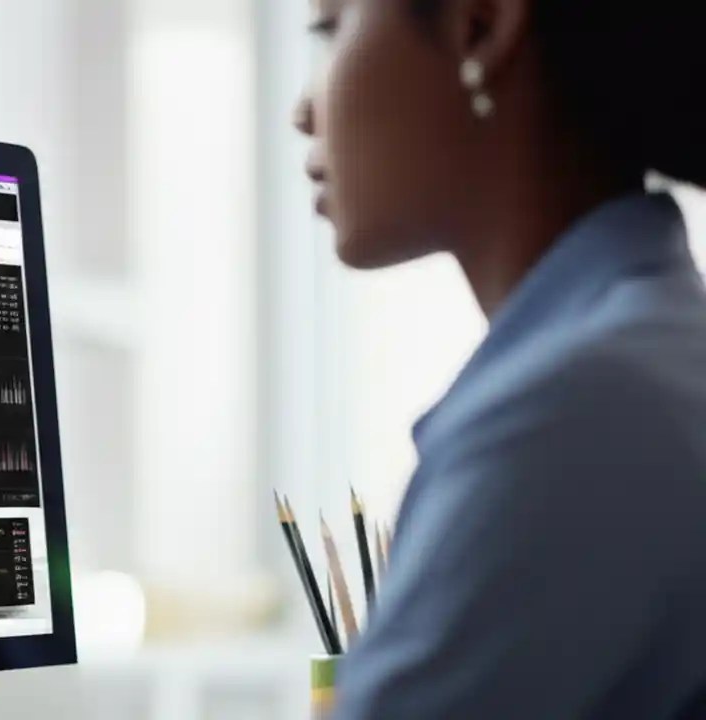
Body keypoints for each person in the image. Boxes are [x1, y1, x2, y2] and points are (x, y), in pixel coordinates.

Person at [292, 0, 706, 717]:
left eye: (332, 30)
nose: (304, 109)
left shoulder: (568, 418)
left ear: (479, 24)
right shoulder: (654, 348)